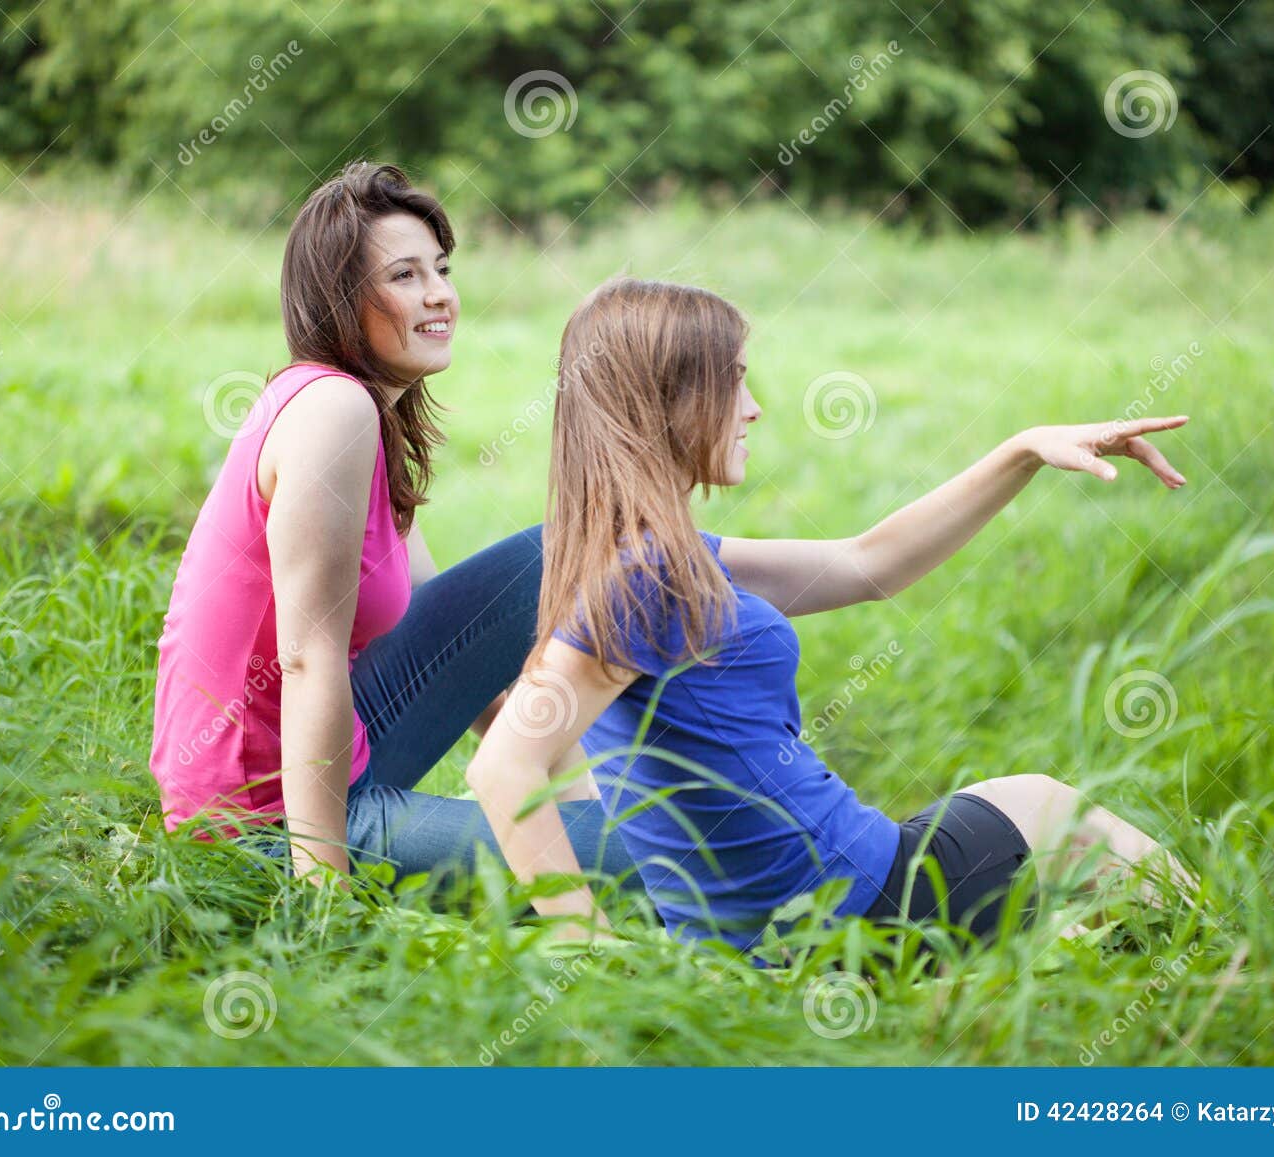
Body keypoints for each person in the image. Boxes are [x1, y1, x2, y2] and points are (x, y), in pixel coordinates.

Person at [465, 277, 1198, 950]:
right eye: (734, 381)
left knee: (1028, 834)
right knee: (1046, 807)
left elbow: (869, 564)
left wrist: (1023, 451)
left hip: (823, 904)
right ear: (669, 398)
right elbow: (505, 766)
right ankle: (1225, 962)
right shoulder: (645, 576)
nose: (753, 407)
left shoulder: (659, 561)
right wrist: (589, 946)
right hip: (857, 906)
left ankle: (1152, 967)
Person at [148, 161, 632, 889]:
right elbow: (306, 660)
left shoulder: (364, 417)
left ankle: (586, 816)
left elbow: (458, 645)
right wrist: (322, 891)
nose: (440, 294)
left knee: (553, 554)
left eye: (441, 268)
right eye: (405, 276)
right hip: (260, 821)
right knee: (674, 853)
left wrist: (527, 774)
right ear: (341, 302)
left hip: (330, 752)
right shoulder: (331, 412)